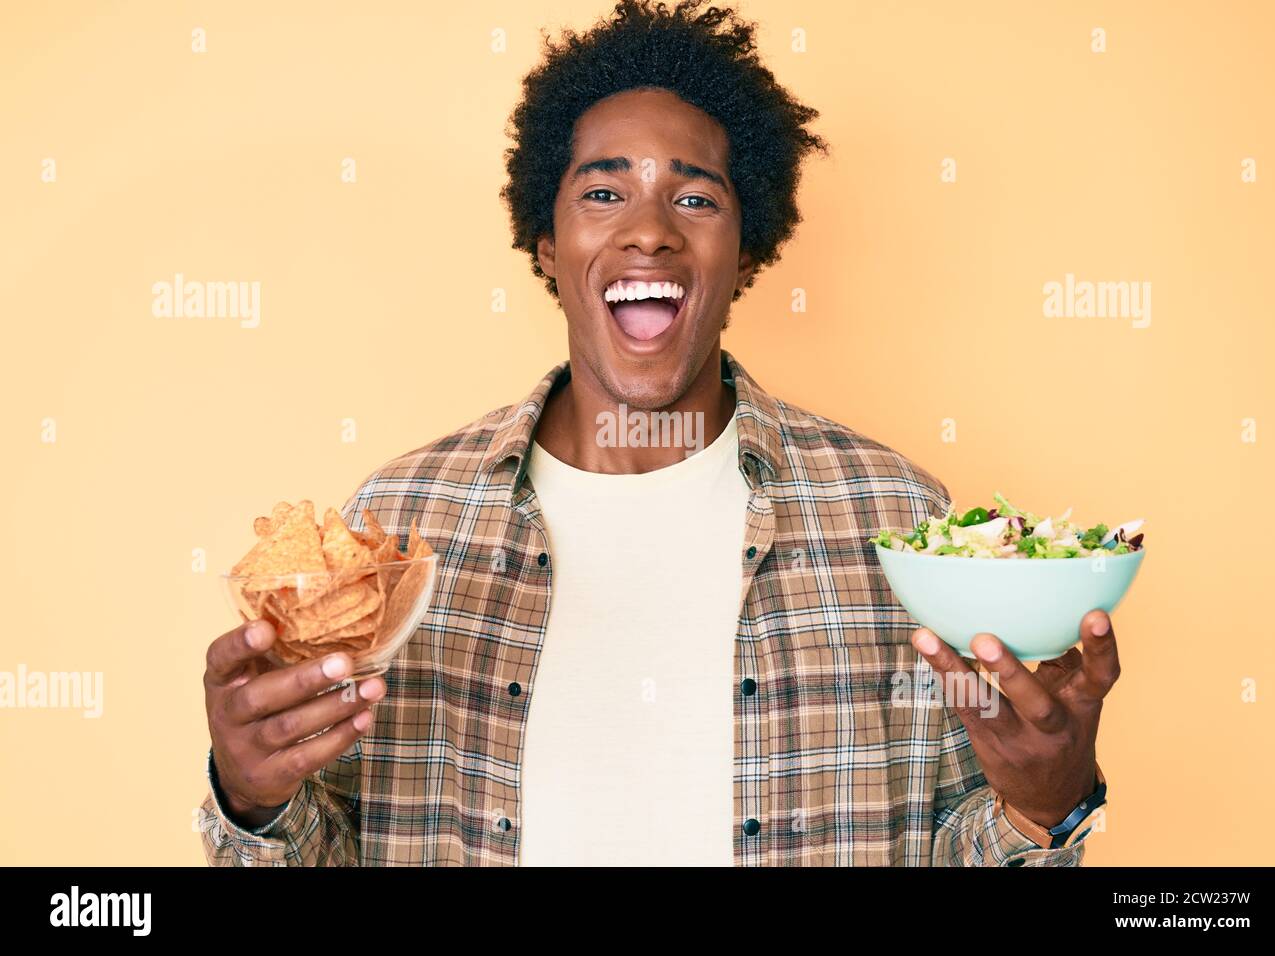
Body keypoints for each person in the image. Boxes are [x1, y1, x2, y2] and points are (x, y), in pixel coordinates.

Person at [199, 0, 1115, 866]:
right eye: (603, 194)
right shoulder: (399, 530)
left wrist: (1046, 802)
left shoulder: (896, 519)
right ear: (547, 244)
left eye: (696, 199)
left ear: (747, 251)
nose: (648, 233)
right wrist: (252, 800)